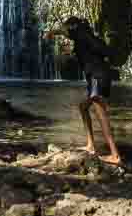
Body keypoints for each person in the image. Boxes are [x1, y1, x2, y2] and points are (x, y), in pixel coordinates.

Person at [46, 16, 121, 166]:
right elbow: (99, 52)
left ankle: (115, 155)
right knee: (83, 107)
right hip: (98, 76)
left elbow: (66, 32)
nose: (65, 31)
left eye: (67, 28)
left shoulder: (80, 33)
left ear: (72, 27)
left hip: (97, 77)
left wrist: (51, 32)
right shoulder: (86, 37)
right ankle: (91, 145)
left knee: (100, 113)